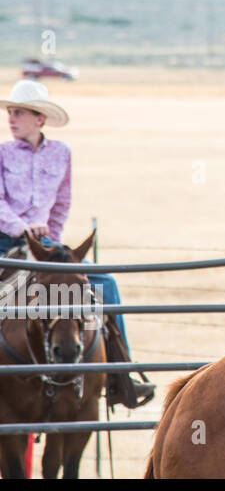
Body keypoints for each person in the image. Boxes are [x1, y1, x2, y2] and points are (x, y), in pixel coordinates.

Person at [0, 79, 154, 408]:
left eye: (19, 113)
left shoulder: (61, 153)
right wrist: (23, 229)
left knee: (105, 284)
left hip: (45, 244)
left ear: (40, 118)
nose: (11, 119)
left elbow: (62, 202)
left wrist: (52, 245)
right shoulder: (2, 153)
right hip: (5, 240)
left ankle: (120, 375)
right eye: (10, 112)